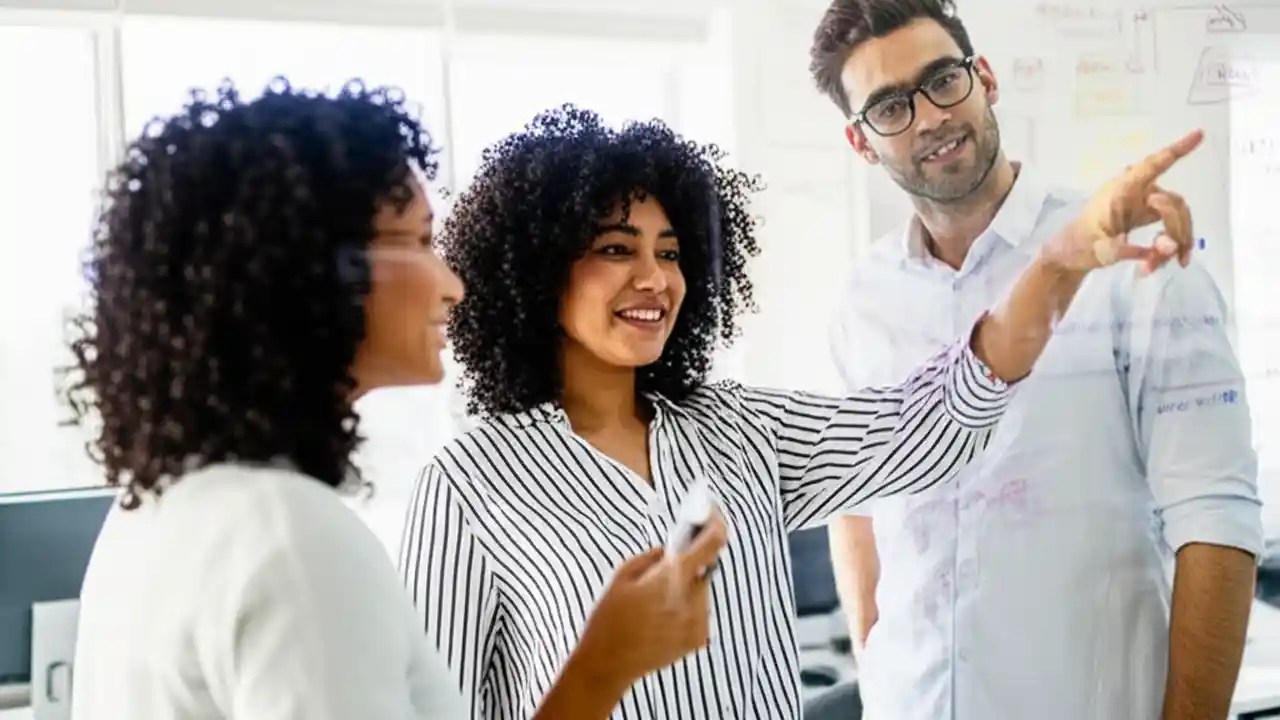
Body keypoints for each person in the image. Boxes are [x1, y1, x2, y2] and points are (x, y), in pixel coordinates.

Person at [400, 103, 1201, 719]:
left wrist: (1059, 261)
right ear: (539, 269)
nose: (655, 277)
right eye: (617, 248)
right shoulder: (467, 487)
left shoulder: (736, 430)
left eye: (671, 252)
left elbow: (936, 421)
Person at [68, 80, 725, 720]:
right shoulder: (295, 541)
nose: (452, 286)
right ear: (312, 268)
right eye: (417, 242)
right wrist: (605, 666)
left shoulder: (153, 507)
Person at [807, 2, 1262, 719]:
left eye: (942, 81)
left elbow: (1216, 520)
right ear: (861, 142)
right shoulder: (861, 301)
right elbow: (857, 507)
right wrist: (877, 663)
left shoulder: (1132, 261)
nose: (928, 118)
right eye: (890, 107)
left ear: (983, 79)